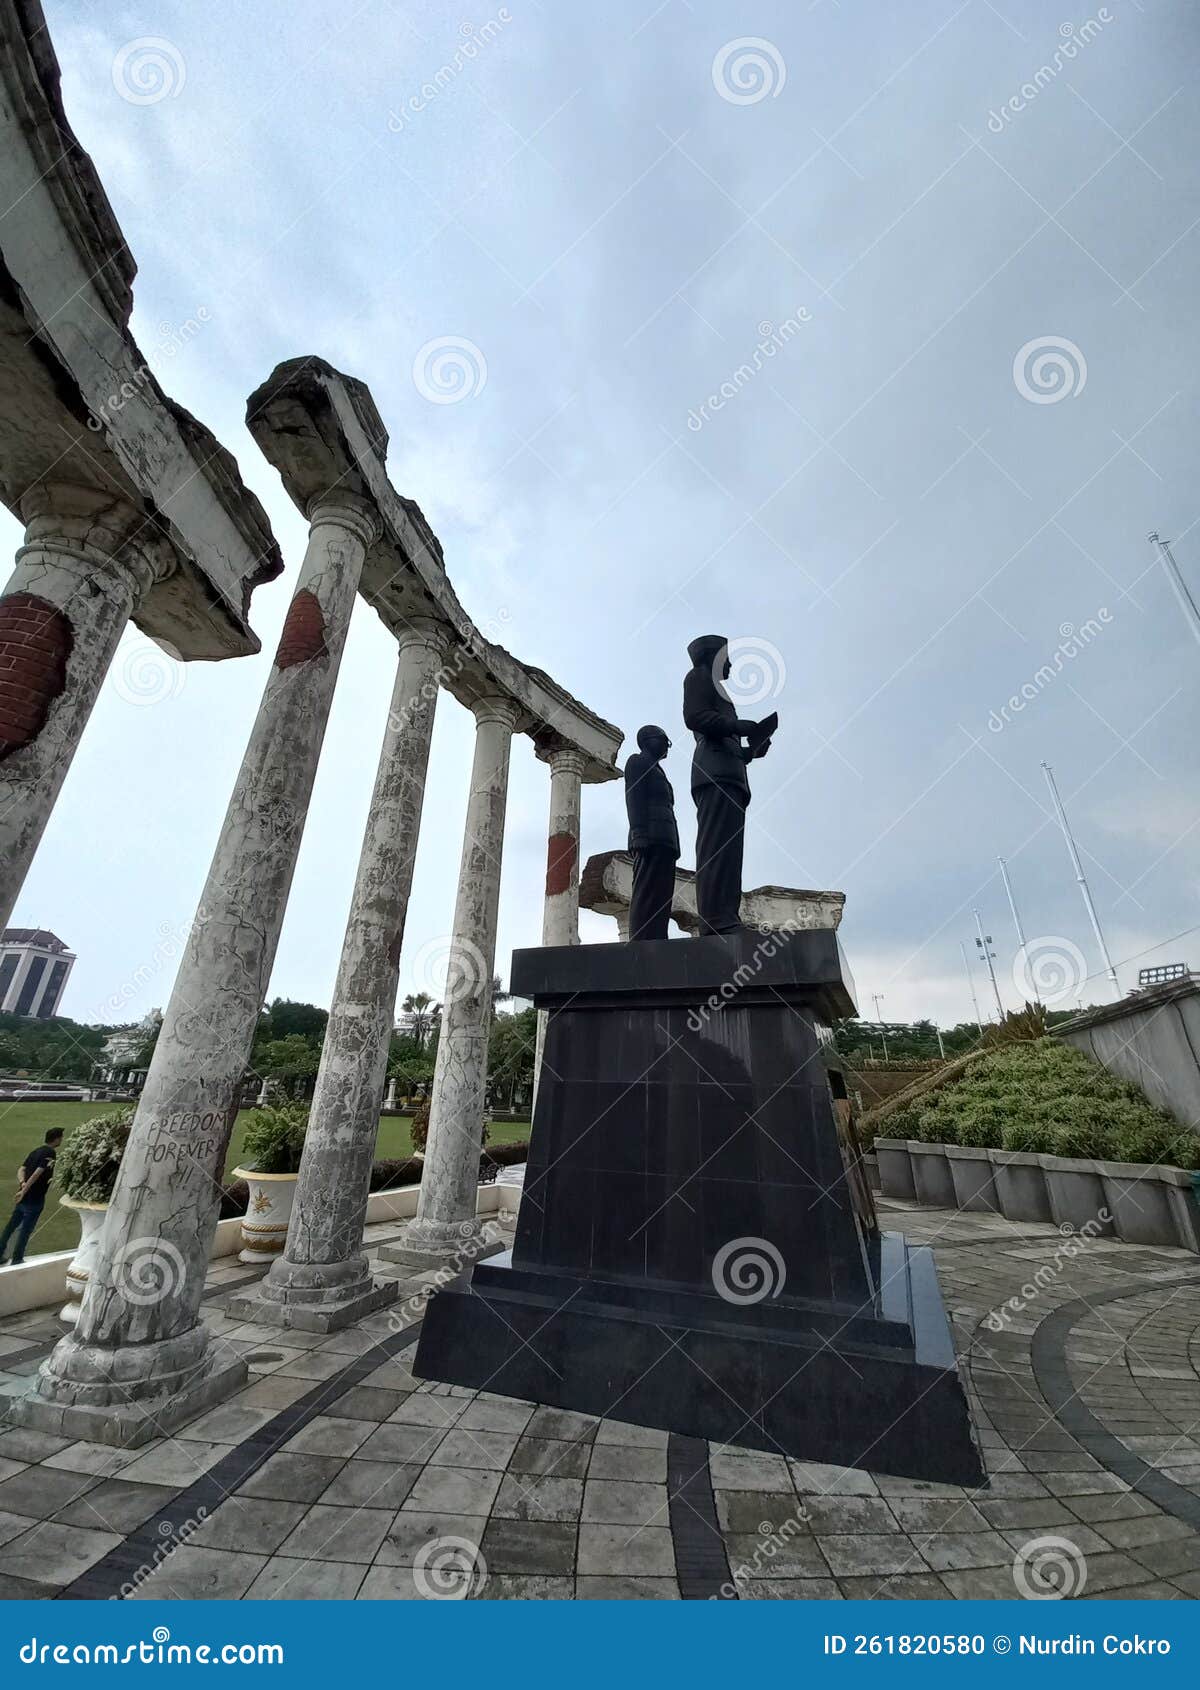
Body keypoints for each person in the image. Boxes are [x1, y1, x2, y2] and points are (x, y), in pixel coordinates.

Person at [683, 635, 774, 935]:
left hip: (730, 773)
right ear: (713, 657)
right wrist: (738, 726)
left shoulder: (719, 690)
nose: (732, 664)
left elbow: (722, 734)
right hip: (714, 773)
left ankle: (726, 917)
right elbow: (694, 717)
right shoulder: (698, 676)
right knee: (716, 849)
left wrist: (750, 751)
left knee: (731, 854)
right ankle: (716, 921)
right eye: (727, 657)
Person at [624, 724, 680, 940]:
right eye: (663, 739)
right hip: (649, 838)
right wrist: (638, 832)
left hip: (666, 839)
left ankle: (657, 937)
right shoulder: (637, 762)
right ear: (648, 740)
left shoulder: (658, 770)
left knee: (663, 894)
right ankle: (642, 939)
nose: (666, 744)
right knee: (646, 891)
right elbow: (634, 797)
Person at [0, 1127, 63, 1266]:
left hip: (22, 1198)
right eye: (61, 1137)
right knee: (25, 1230)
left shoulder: (36, 1151)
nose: (61, 1140)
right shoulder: (50, 1152)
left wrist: (22, 1184)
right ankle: (17, 1259)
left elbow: (21, 1169)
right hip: (34, 1198)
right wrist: (25, 1190)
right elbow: (37, 1173)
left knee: (11, 1226)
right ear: (56, 1138)